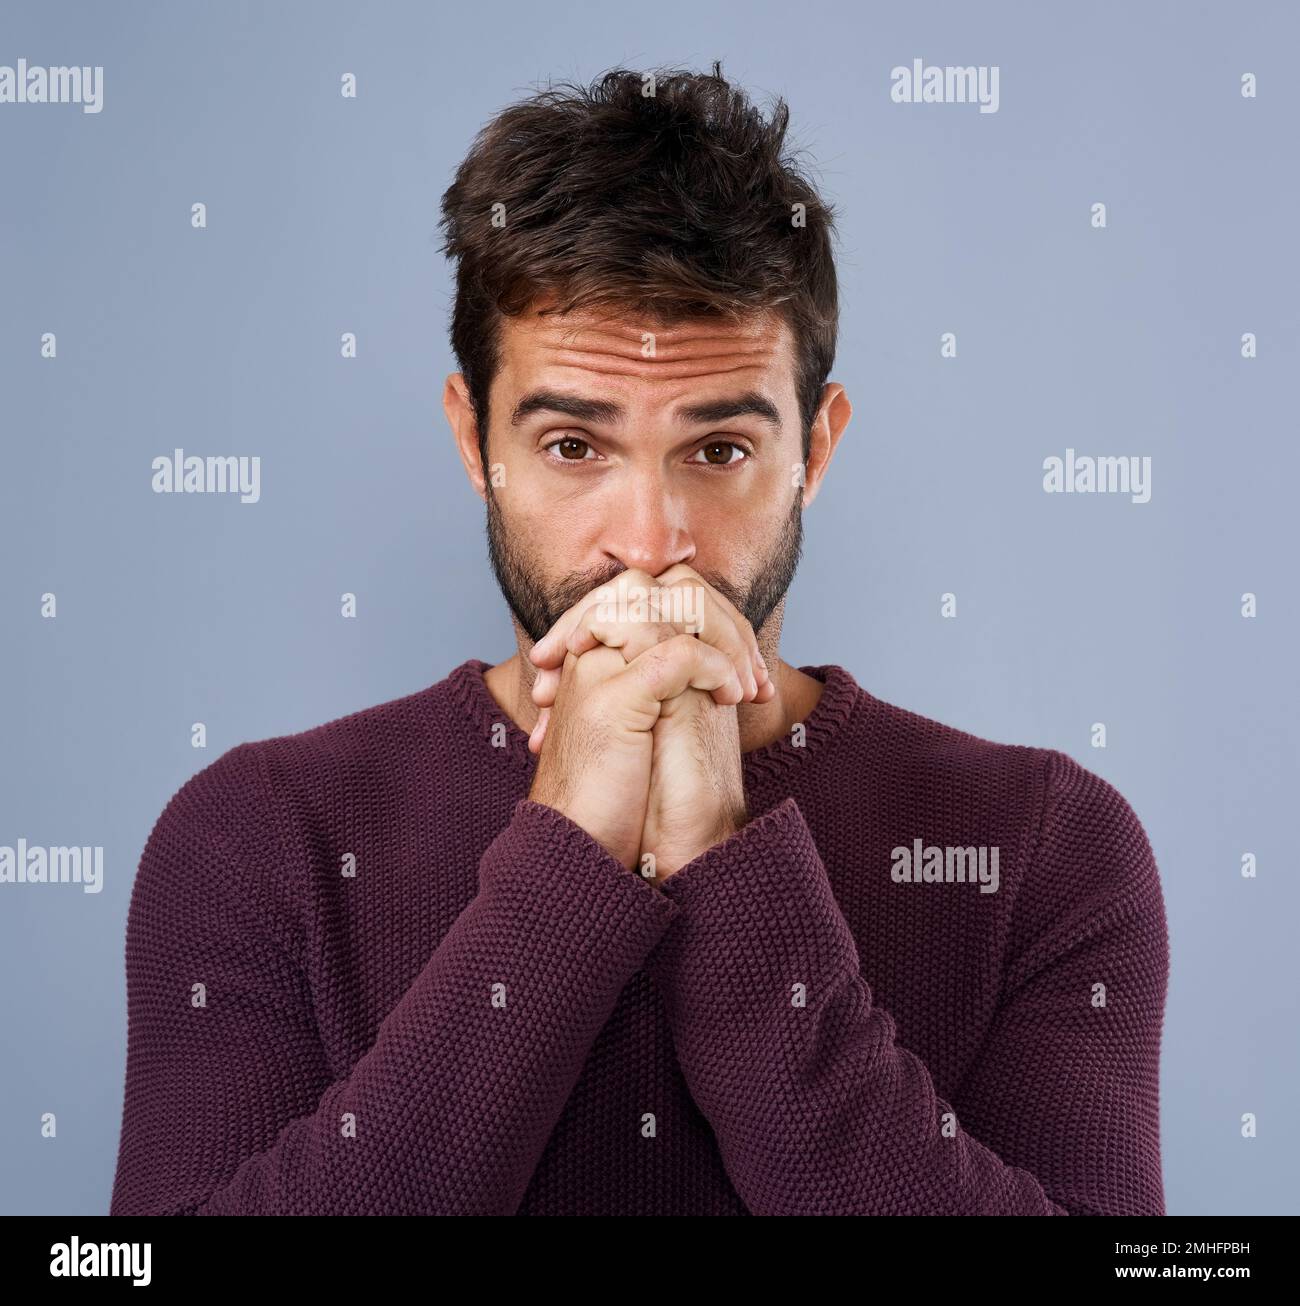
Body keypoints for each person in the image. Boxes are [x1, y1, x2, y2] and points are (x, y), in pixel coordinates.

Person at [109, 63, 1169, 1216]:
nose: (651, 542)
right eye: (572, 444)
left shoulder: (1046, 847)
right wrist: (563, 853)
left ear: (815, 449)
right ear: (476, 440)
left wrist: (726, 857)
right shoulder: (254, 836)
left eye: (717, 451)